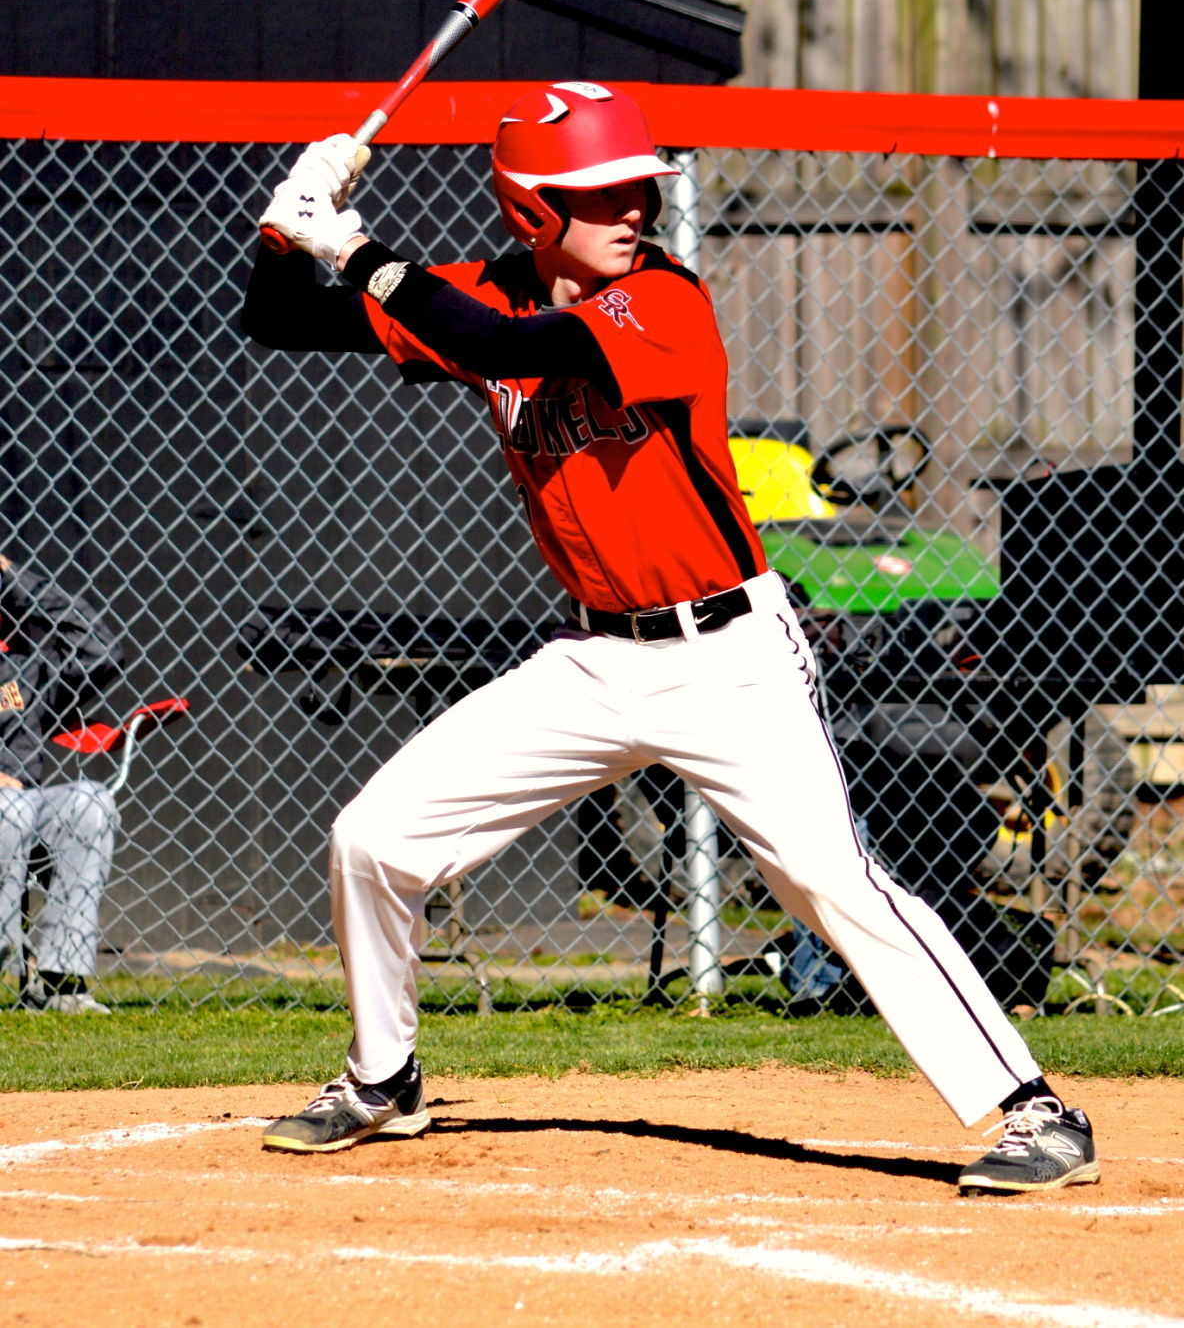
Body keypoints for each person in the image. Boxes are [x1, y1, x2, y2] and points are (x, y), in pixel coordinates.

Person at [243, 81, 1098, 1194]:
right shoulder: (481, 285)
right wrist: (285, 224)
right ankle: (381, 1076)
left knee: (826, 878)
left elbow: (511, 344)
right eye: (602, 193)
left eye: (640, 187)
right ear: (531, 209)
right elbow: (281, 320)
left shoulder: (661, 300)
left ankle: (1033, 1111)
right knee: (374, 838)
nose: (634, 206)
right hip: (591, 659)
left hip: (726, 656)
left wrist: (354, 247)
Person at [0, 551, 124, 1014]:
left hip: (27, 804)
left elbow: (103, 650)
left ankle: (61, 980)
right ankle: (8, 976)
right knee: (8, 810)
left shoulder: (29, 663)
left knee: (90, 801)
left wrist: (13, 577)